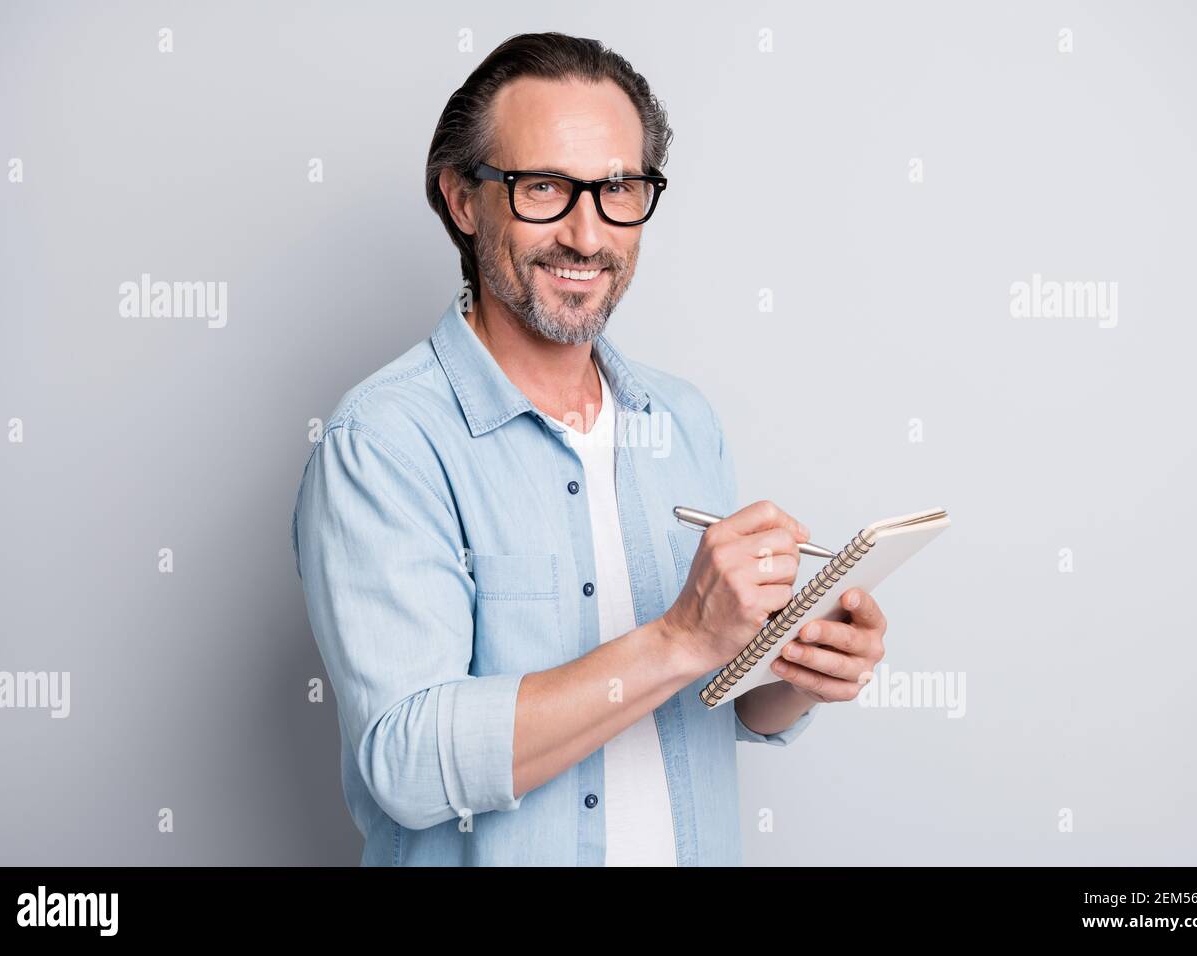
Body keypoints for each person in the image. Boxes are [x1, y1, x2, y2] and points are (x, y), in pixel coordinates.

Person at [291, 31, 888, 866]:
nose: (586, 233)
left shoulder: (682, 420)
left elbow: (724, 702)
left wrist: (796, 670)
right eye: (543, 187)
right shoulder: (384, 443)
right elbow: (408, 766)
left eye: (616, 188)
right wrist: (680, 636)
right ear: (463, 200)